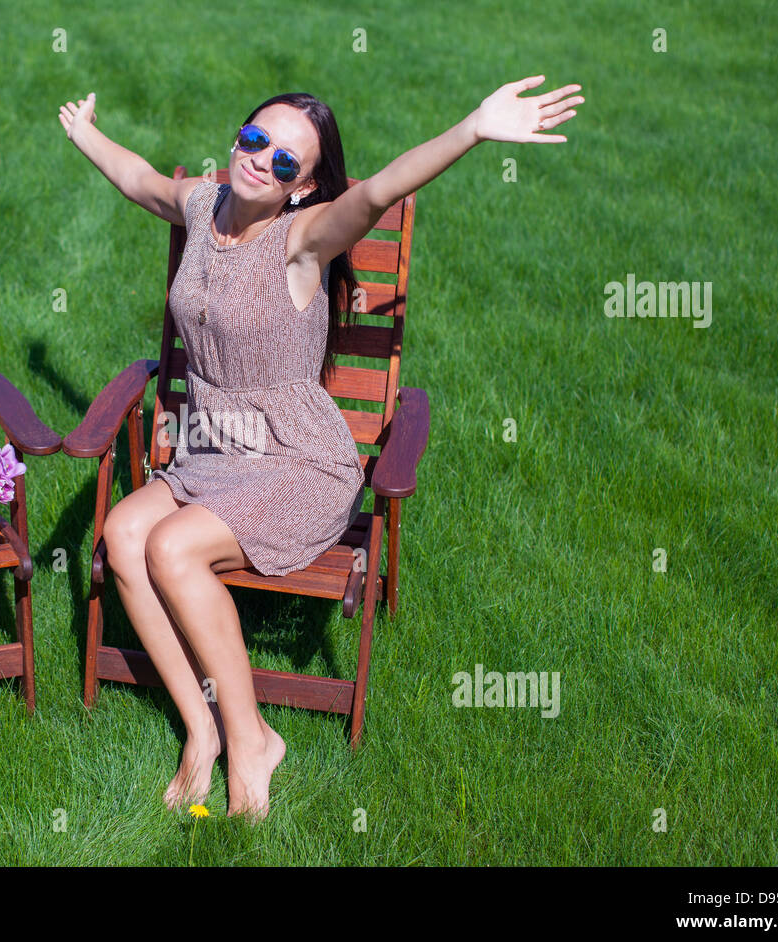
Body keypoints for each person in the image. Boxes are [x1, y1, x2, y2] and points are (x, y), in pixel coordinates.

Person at [59, 77, 583, 819]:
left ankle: (253, 742)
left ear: (302, 189)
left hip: (296, 461)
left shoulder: (302, 243)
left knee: (171, 549)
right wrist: (84, 134)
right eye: (255, 141)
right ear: (234, 138)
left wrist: (471, 128)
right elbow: (140, 179)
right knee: (120, 533)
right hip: (209, 452)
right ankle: (201, 730)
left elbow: (376, 196)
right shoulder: (201, 205)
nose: (261, 161)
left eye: (285, 164)